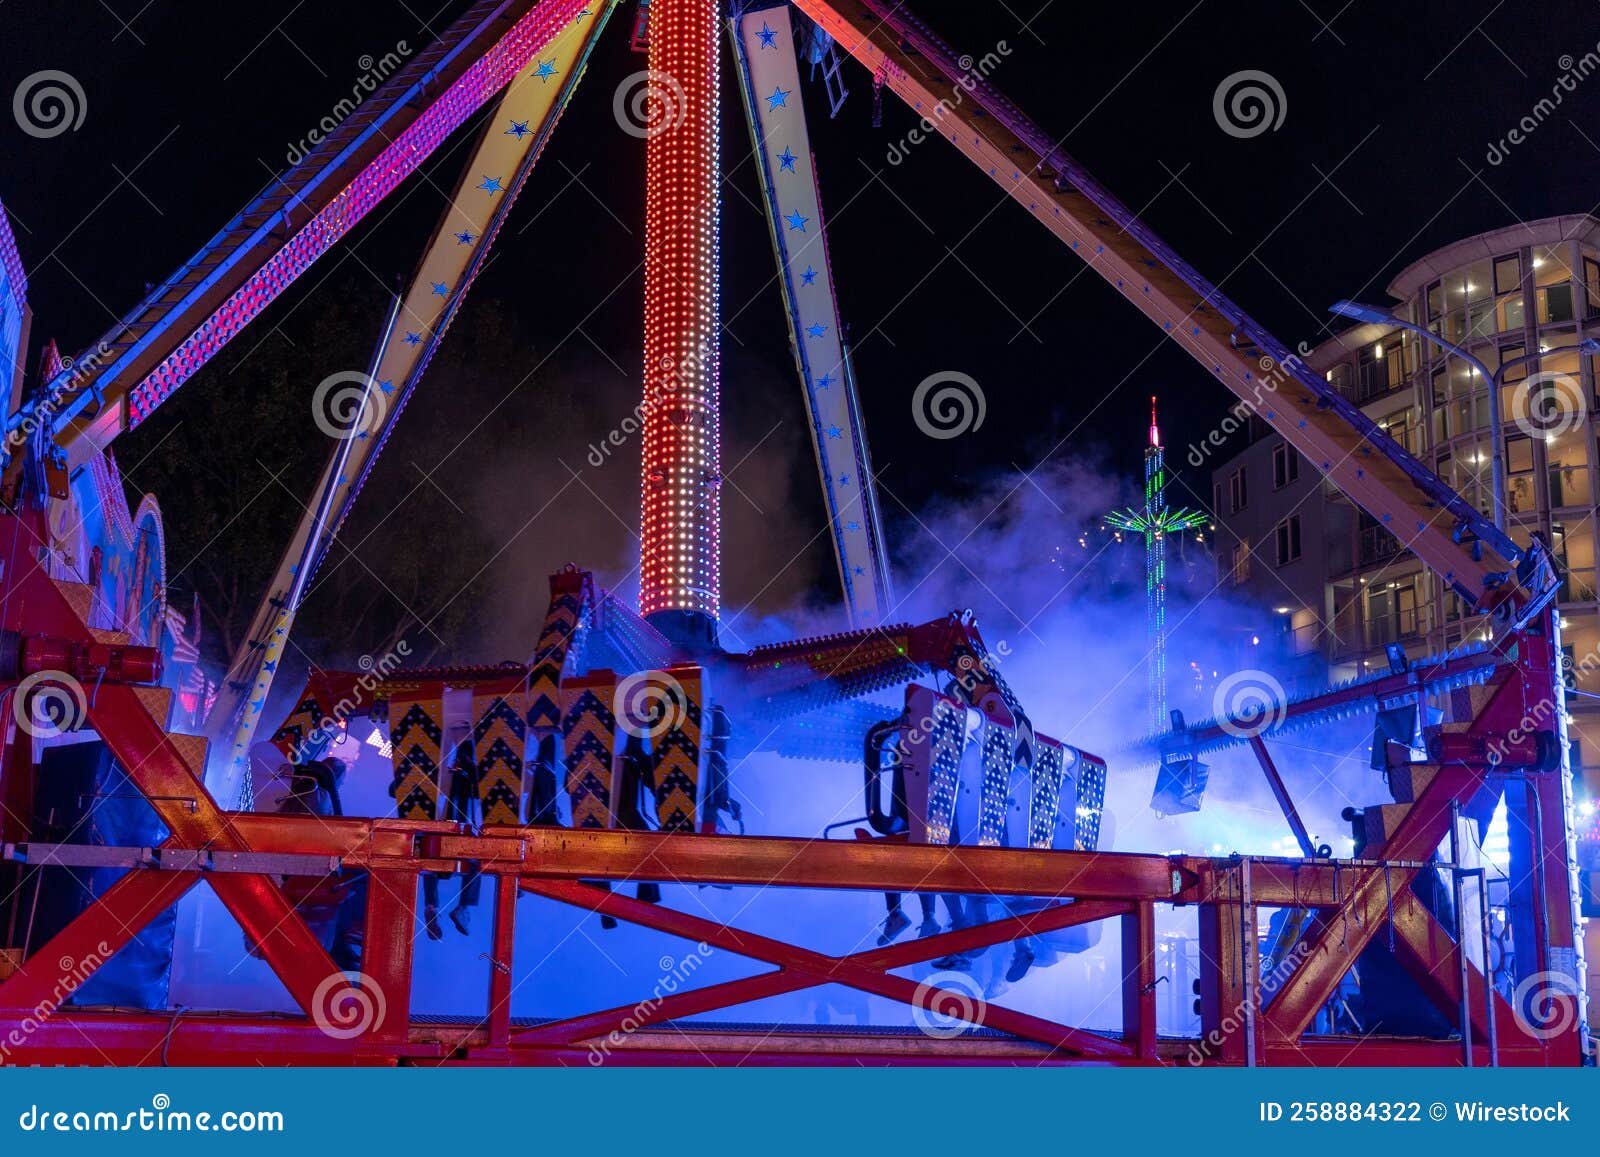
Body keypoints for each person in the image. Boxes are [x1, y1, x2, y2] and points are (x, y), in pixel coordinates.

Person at [422, 722, 483, 938]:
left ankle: (431, 906)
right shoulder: (470, 774)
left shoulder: (441, 769)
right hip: (457, 828)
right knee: (477, 861)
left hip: (436, 825)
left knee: (429, 859)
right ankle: (463, 906)